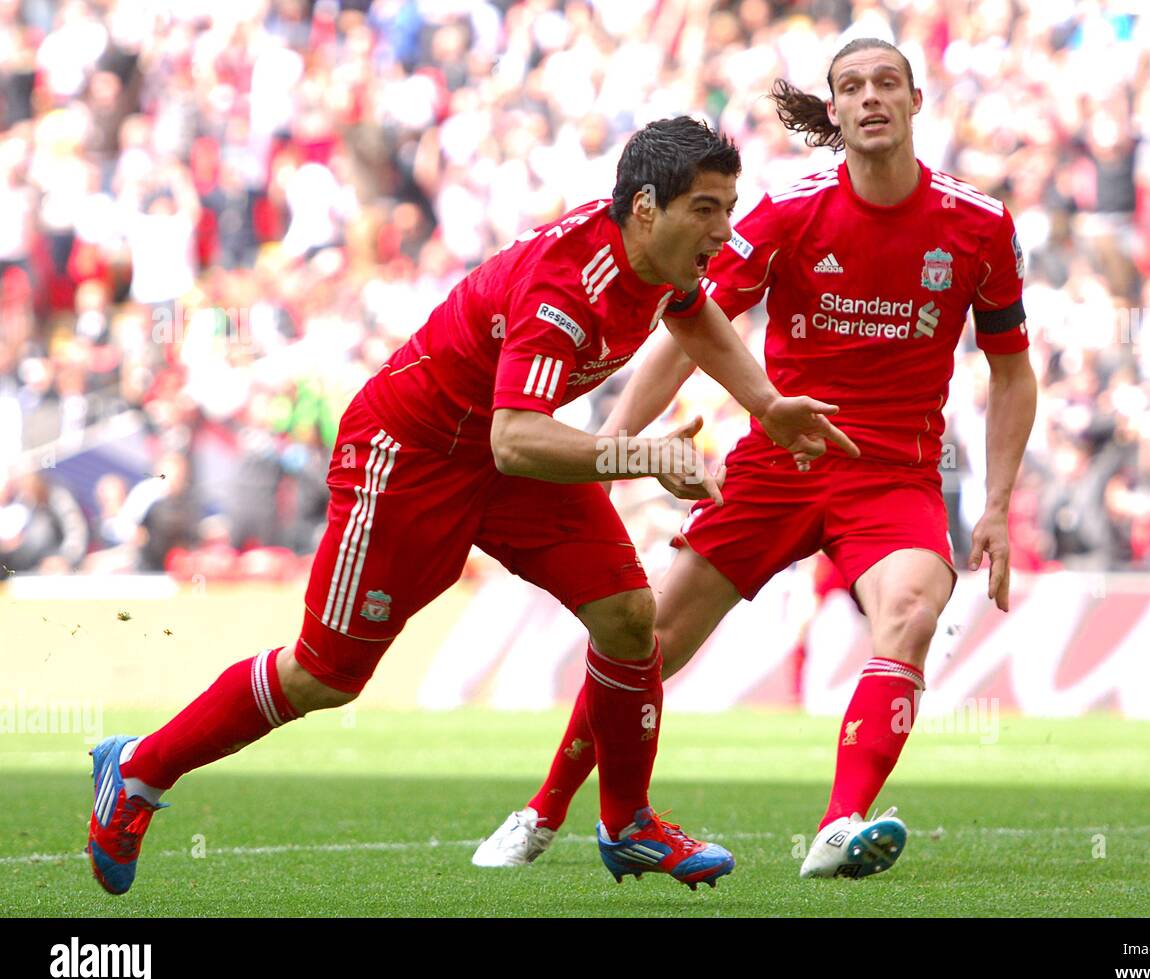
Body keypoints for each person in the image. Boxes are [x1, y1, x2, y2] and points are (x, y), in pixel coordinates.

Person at [86, 116, 857, 895]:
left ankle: (627, 823)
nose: (725, 230)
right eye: (708, 209)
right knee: (326, 674)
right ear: (647, 207)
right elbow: (516, 440)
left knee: (628, 614)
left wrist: (766, 402)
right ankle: (141, 768)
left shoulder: (658, 257)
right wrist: (642, 455)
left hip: (498, 454)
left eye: (728, 206)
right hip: (411, 457)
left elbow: (692, 315)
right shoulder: (566, 282)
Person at [476, 39, 1038, 880]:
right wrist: (613, 450)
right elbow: (686, 322)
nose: (871, 98)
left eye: (888, 83)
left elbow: (1012, 368)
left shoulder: (980, 224)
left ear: (916, 101)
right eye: (853, 87)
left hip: (895, 474)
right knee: (650, 639)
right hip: (777, 465)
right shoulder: (787, 211)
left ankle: (841, 823)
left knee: (913, 610)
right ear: (837, 111)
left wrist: (994, 504)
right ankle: (544, 809)